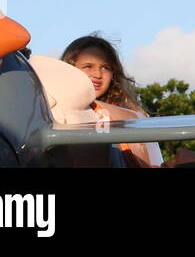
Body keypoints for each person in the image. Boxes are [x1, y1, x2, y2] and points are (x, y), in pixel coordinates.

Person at [61, 34, 162, 168]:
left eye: (106, 68)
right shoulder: (53, 110)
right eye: (88, 66)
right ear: (69, 70)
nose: (97, 74)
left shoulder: (133, 116)